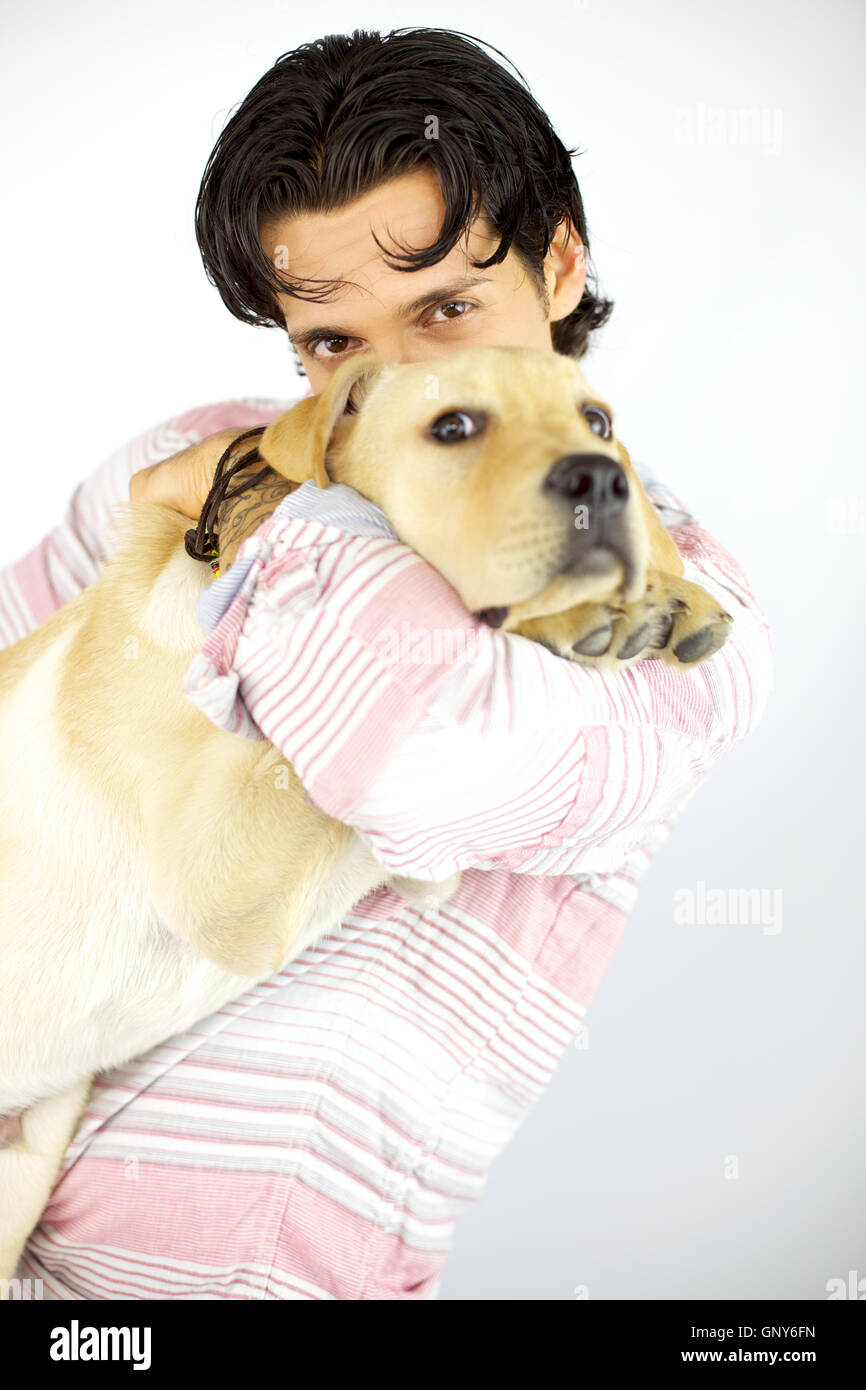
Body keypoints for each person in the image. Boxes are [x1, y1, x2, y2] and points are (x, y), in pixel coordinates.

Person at [1, 28, 772, 1300]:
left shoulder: (687, 610)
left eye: (447, 310)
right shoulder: (190, 452)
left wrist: (293, 509)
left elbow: (413, 762)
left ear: (561, 263)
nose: (398, 382)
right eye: (332, 344)